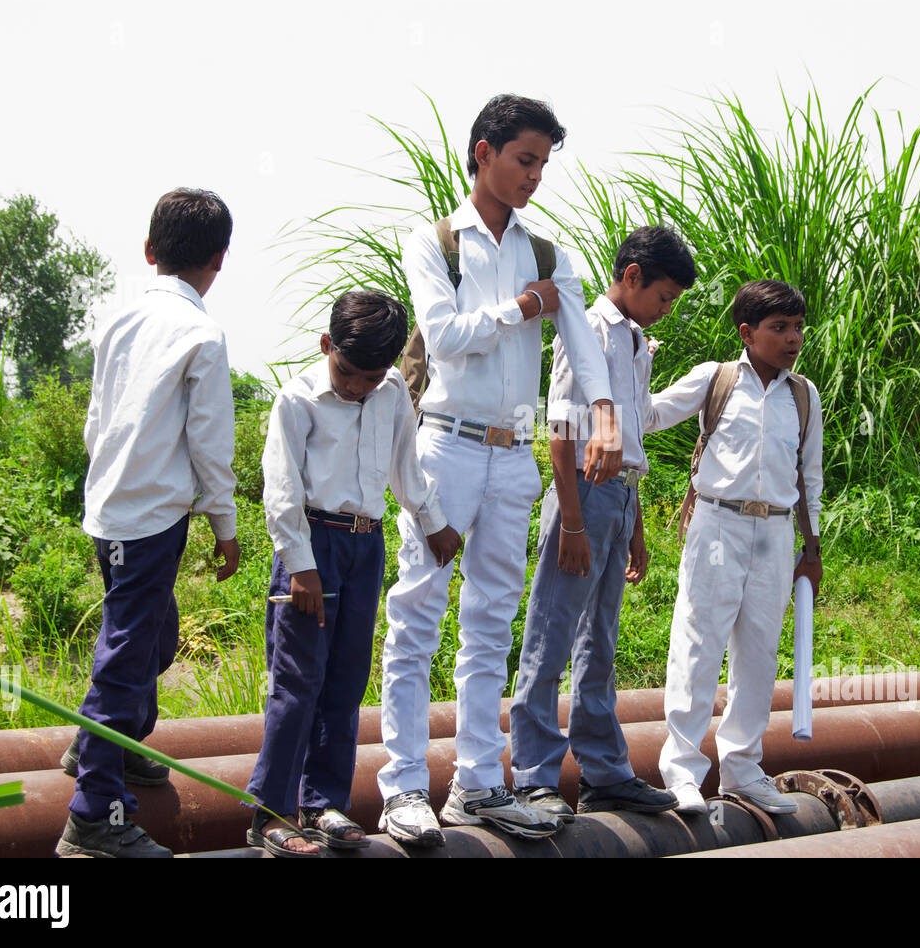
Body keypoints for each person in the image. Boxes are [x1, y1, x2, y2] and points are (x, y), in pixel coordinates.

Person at [377, 94, 621, 845]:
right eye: (524, 159)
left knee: (490, 623)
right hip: (446, 445)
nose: (535, 176)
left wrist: (604, 408)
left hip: (516, 454)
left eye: (544, 163)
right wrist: (520, 310)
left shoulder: (547, 254)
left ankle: (478, 783)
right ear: (483, 152)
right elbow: (444, 340)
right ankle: (403, 787)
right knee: (418, 615)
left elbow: (582, 339)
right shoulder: (437, 244)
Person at [56, 188, 240, 858]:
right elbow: (209, 442)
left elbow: (95, 420)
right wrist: (225, 524)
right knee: (127, 660)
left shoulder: (118, 320)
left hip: (110, 511)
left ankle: (103, 743)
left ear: (148, 251)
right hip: (149, 519)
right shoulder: (202, 335)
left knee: (154, 640)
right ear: (220, 259)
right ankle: (92, 818)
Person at [244, 291, 460, 857]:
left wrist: (433, 520)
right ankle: (272, 811)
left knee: (345, 680)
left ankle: (323, 802)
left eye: (371, 376)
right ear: (326, 347)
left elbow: (405, 467)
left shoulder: (389, 393)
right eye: (348, 371)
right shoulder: (298, 401)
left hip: (366, 547)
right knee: (298, 682)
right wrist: (300, 567)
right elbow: (282, 492)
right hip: (313, 546)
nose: (357, 385)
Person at [509, 226, 696, 822]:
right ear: (633, 275)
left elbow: (632, 439)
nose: (666, 311)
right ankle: (534, 775)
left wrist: (635, 522)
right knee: (550, 636)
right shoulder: (589, 330)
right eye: (663, 297)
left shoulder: (635, 340)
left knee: (600, 643)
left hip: (616, 497)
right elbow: (562, 429)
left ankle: (604, 772)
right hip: (581, 498)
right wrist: (570, 523)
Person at [647, 279, 824, 816]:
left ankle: (743, 769)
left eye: (797, 328)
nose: (792, 339)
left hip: (775, 533)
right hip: (717, 525)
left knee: (759, 651)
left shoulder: (804, 395)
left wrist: (811, 550)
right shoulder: (715, 380)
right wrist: (637, 364)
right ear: (747, 333)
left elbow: (809, 477)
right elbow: (650, 417)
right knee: (698, 645)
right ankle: (681, 772)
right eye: (779, 328)